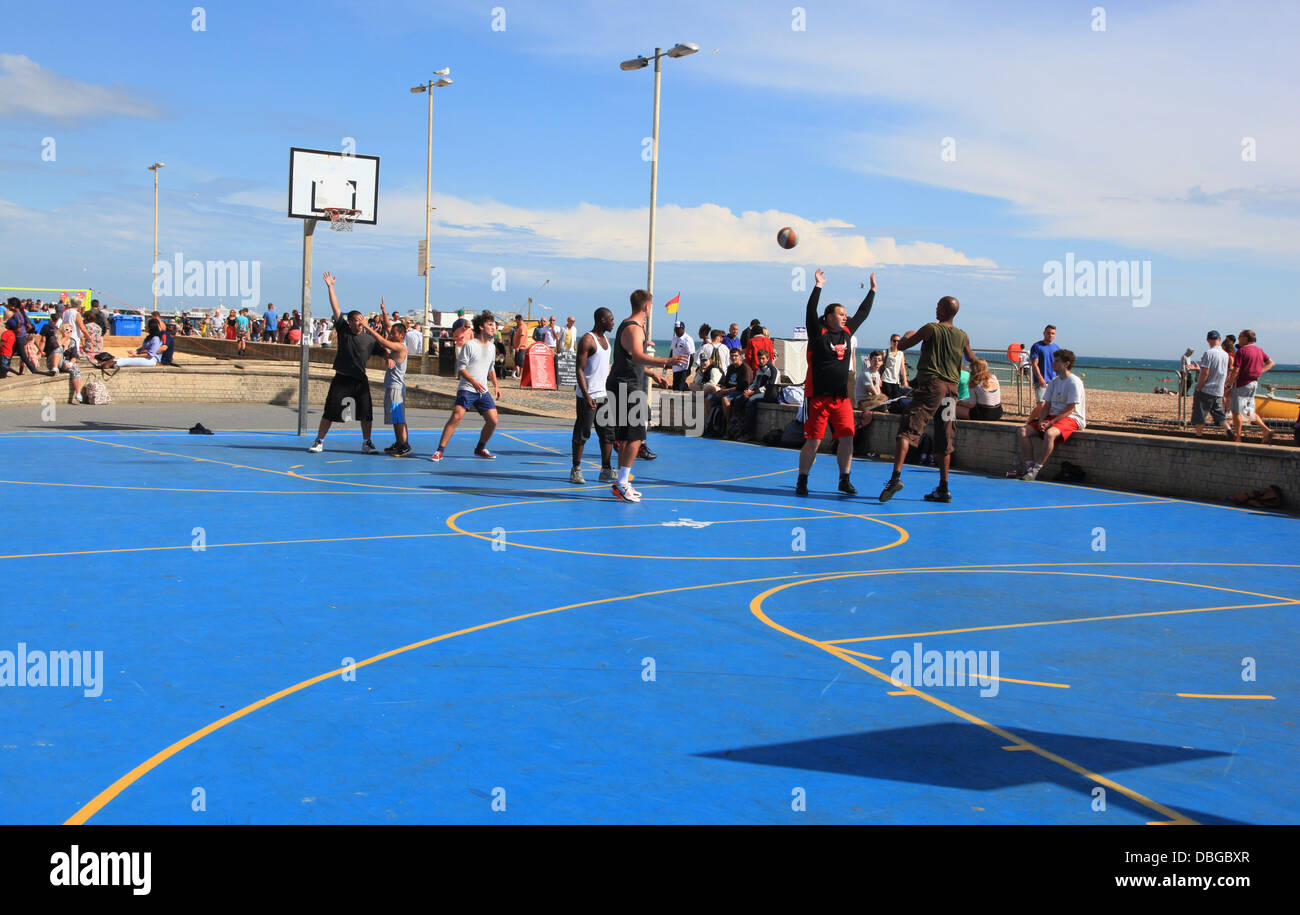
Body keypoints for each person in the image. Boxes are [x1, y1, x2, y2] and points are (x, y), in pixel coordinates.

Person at [879, 293, 976, 503]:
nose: (935, 308)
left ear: (943, 309)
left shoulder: (930, 328)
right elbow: (972, 358)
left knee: (908, 429)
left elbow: (902, 347)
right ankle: (943, 487)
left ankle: (895, 478)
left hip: (932, 386)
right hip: (952, 390)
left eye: (938, 305)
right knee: (945, 437)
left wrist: (907, 336)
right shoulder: (963, 335)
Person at [796, 269, 877, 497]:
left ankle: (844, 479)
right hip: (818, 398)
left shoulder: (847, 334)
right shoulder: (818, 333)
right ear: (829, 316)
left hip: (841, 398)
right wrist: (818, 286)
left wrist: (872, 291)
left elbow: (863, 313)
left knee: (847, 437)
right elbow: (810, 310)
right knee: (814, 441)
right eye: (841, 314)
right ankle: (802, 480)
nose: (845, 317)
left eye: (845, 314)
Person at [606, 289, 688, 502]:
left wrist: (652, 375)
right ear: (647, 307)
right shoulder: (634, 329)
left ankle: (622, 482)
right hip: (627, 386)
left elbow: (628, 360)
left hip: (623, 383)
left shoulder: (629, 325)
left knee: (626, 436)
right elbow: (637, 356)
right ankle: (622, 483)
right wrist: (666, 362)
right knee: (635, 436)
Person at [307, 273, 395, 454]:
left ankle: (367, 442)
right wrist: (330, 287)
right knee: (330, 412)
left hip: (360, 381)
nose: (361, 323)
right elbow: (336, 307)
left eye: (362, 320)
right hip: (342, 379)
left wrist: (389, 358)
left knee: (366, 413)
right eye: (357, 320)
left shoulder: (369, 339)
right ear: (350, 323)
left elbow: (383, 352)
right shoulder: (344, 331)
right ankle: (319, 440)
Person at [429, 311, 503, 462]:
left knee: (493, 420)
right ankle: (439, 451)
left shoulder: (492, 347)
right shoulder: (470, 345)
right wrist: (473, 382)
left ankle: (480, 447)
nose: (493, 328)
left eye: (494, 325)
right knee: (456, 416)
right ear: (481, 327)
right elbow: (461, 369)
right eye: (490, 325)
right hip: (467, 389)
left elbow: (491, 368)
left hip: (482, 391)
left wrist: (496, 385)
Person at [1014, 349, 1086, 480]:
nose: (1053, 363)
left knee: (1050, 433)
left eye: (1057, 361)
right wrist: (1042, 420)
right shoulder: (1054, 382)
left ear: (1066, 364)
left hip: (1072, 417)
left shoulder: (1074, 382)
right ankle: (1029, 465)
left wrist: (1051, 423)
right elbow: (1046, 405)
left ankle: (1036, 469)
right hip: (1053, 416)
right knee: (1022, 431)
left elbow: (1070, 409)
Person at [570, 308, 618, 484]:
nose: (613, 322)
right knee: (582, 433)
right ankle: (576, 468)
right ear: (602, 320)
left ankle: (605, 469)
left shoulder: (607, 340)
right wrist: (586, 394)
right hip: (587, 396)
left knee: (607, 434)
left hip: (603, 395)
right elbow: (579, 370)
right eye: (611, 319)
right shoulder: (587, 340)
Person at [374, 299, 412, 456]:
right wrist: (384, 311)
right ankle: (399, 443)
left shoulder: (400, 346)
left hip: (396, 388)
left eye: (394, 333)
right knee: (395, 418)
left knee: (398, 418)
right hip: (392, 387)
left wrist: (366, 327)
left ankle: (405, 446)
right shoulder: (396, 341)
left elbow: (382, 340)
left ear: (401, 335)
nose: (391, 334)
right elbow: (389, 327)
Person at [1230, 329, 1275, 444]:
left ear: (1245, 338)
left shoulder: (1242, 351)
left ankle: (1238, 437)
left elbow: (1236, 369)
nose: (1238, 339)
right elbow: (1271, 362)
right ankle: (1265, 429)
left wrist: (1229, 384)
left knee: (1236, 412)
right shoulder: (1259, 350)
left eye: (1239, 336)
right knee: (1249, 411)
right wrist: (1259, 371)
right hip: (1253, 383)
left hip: (1242, 384)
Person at [1192, 331, 1230, 437]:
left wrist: (1199, 387)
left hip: (1206, 389)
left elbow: (1205, 372)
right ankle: (1228, 430)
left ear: (1208, 340)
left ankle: (1198, 435)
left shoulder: (1209, 353)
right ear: (1219, 339)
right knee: (1219, 414)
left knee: (1200, 414)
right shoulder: (1225, 355)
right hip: (1218, 390)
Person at [738, 348, 779, 438]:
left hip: (769, 395)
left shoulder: (773, 370)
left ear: (768, 359)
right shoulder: (759, 370)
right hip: (756, 392)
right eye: (759, 358)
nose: (761, 361)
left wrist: (752, 393)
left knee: (751, 401)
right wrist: (748, 390)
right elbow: (754, 383)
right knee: (739, 399)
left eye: (763, 358)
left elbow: (769, 386)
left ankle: (750, 432)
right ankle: (737, 428)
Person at [714, 345, 752, 427]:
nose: (734, 358)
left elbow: (743, 387)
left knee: (725, 399)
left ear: (740, 357)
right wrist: (722, 389)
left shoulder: (745, 368)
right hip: (729, 391)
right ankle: (711, 425)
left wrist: (727, 391)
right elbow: (726, 383)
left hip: (739, 392)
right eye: (732, 356)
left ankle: (727, 425)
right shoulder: (730, 367)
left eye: (736, 356)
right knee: (709, 398)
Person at [1028, 325, 1060, 404]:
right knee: (1041, 404)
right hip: (1041, 381)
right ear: (1044, 333)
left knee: (1053, 405)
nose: (1050, 335)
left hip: (1054, 381)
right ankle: (1034, 417)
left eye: (1053, 333)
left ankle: (1039, 417)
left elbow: (1059, 365)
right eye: (1048, 333)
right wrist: (1040, 378)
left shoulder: (1056, 347)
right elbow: (1034, 364)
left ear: (1055, 335)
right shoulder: (1037, 346)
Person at [880, 333, 910, 397]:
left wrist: (905, 380)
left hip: (896, 380)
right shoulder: (885, 352)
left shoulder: (901, 353)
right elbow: (879, 365)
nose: (896, 343)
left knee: (895, 397)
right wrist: (879, 379)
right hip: (886, 378)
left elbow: (902, 368)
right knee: (887, 397)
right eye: (894, 341)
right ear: (891, 341)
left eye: (898, 341)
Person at [669, 321, 696, 390]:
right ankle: (687, 391)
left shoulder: (688, 339)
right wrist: (668, 362)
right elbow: (672, 350)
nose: (676, 330)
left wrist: (689, 368)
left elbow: (692, 355)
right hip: (675, 367)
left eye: (678, 329)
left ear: (683, 328)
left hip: (684, 367)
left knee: (679, 387)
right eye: (675, 329)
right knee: (675, 386)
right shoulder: (674, 338)